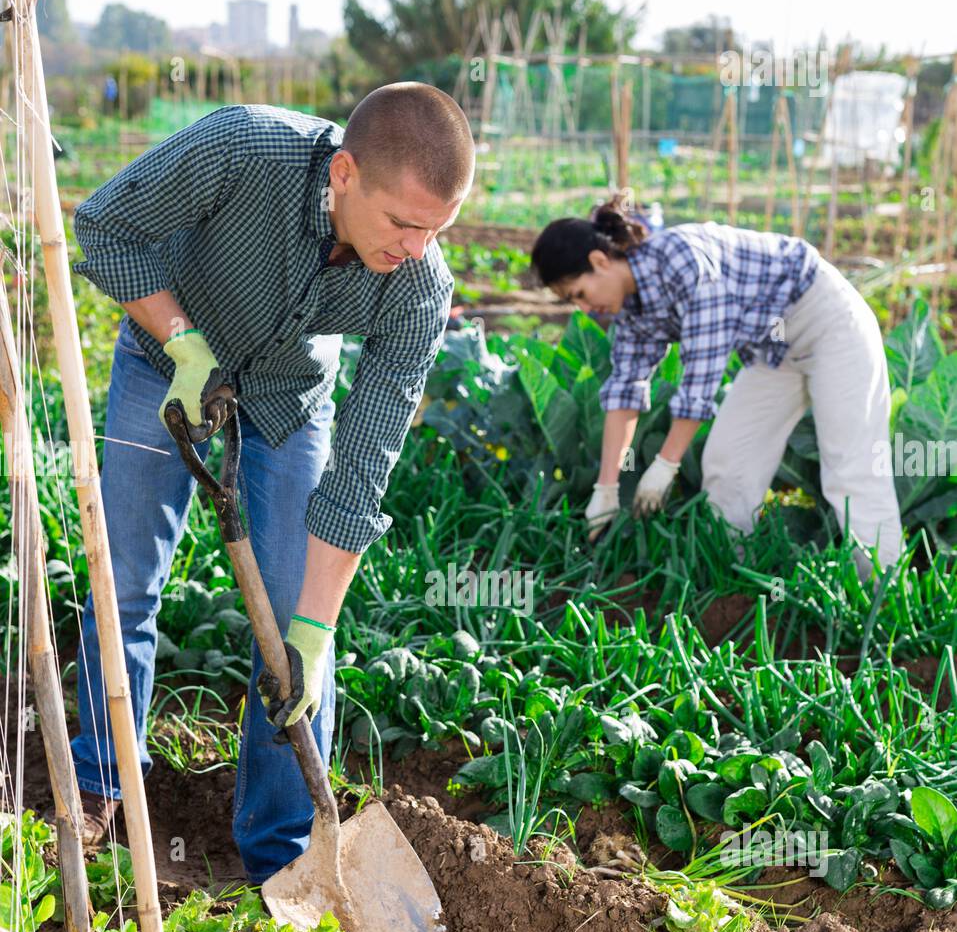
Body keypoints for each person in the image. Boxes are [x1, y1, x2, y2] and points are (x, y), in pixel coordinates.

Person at [70, 84, 474, 883]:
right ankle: (97, 786)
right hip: (164, 364)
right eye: (403, 224)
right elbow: (106, 227)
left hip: (289, 401)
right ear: (346, 173)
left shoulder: (418, 286)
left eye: (438, 229)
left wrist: (316, 634)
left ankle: (283, 854)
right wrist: (185, 346)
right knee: (126, 585)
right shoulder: (243, 149)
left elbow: (361, 470)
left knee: (291, 629)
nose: (418, 248)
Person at [531, 201, 903, 575]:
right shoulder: (630, 310)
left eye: (579, 293)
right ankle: (738, 577)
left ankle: (880, 592)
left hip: (825, 318)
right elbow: (625, 393)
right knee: (728, 463)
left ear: (599, 261)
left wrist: (665, 465)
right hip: (773, 349)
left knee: (851, 465)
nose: (583, 308)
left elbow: (702, 376)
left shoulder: (681, 259)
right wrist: (606, 489)